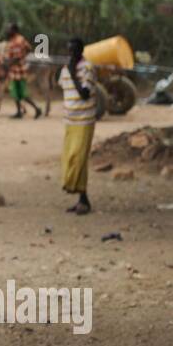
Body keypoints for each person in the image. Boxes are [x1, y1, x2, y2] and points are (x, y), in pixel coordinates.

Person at [60, 37, 98, 214]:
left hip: (84, 120)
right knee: (70, 157)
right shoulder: (67, 67)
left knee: (79, 158)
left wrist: (73, 73)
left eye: (74, 51)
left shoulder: (88, 68)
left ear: (81, 51)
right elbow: (61, 85)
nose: (71, 54)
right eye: (69, 51)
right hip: (70, 120)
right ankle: (81, 198)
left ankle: (84, 199)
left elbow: (84, 93)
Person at [3, 22, 42, 119]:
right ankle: (19, 112)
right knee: (15, 92)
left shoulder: (18, 41)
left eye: (9, 29)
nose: (7, 31)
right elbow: (28, 48)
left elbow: (17, 57)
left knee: (22, 93)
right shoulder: (13, 40)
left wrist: (11, 62)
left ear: (14, 30)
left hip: (18, 70)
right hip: (13, 70)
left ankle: (37, 109)